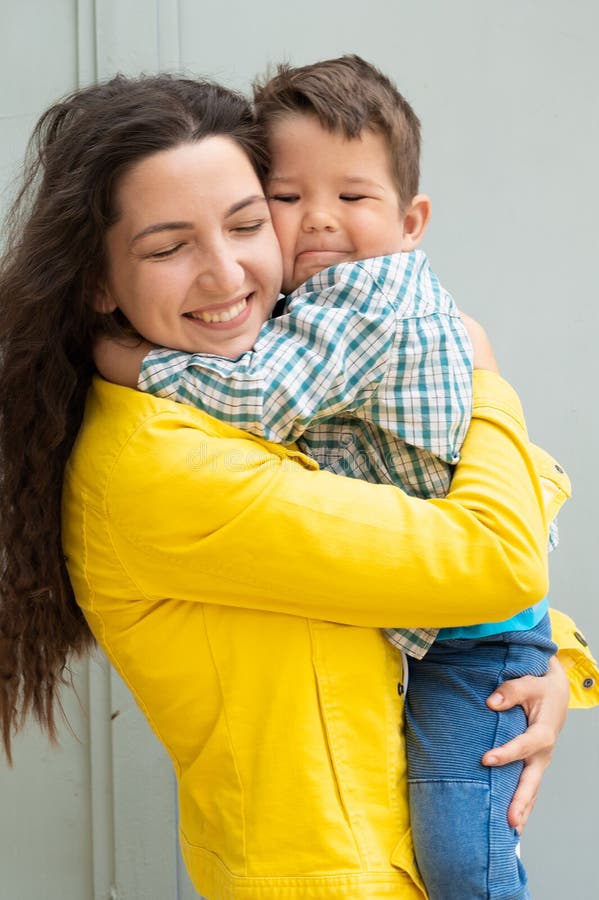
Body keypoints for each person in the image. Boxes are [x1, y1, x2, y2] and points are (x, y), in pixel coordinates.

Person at [0, 73, 596, 900]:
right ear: (97, 282)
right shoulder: (163, 464)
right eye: (168, 247)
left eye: (247, 224)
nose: (223, 274)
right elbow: (495, 555)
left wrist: (543, 666)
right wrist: (485, 373)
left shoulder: (286, 371)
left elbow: (410, 535)